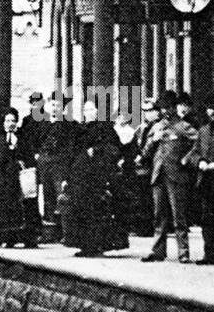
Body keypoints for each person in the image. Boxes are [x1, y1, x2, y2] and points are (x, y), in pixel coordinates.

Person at [65, 100, 128, 257]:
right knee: (81, 210)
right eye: (86, 110)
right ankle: (85, 246)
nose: (89, 112)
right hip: (80, 177)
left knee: (98, 211)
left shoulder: (105, 129)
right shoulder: (80, 130)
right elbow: (71, 154)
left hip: (98, 177)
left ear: (97, 111)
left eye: (91, 109)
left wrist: (97, 149)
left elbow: (116, 149)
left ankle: (98, 245)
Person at [142, 91, 198, 263]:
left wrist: (187, 158)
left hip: (176, 176)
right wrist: (153, 140)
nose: (166, 111)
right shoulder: (156, 128)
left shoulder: (183, 126)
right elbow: (145, 152)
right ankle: (158, 250)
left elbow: (198, 142)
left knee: (178, 215)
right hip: (159, 175)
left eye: (169, 108)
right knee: (159, 215)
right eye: (163, 108)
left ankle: (183, 252)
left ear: (174, 108)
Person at [185, 91, 214, 266]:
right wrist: (199, 162)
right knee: (207, 218)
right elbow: (194, 153)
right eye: (210, 108)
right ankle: (210, 254)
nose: (213, 112)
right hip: (205, 180)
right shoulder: (203, 131)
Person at [0, 108, 42, 248]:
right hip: (3, 180)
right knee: (2, 207)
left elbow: (28, 157)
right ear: (4, 123)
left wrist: (18, 152)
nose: (10, 123)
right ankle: (2, 235)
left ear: (17, 122)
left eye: (13, 121)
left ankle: (21, 236)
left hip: (18, 181)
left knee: (21, 208)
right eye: (7, 121)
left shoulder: (22, 138)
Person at [37, 95, 78, 230]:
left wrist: (64, 163)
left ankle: (64, 230)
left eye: (58, 106)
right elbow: (35, 140)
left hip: (59, 164)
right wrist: (38, 155)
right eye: (53, 105)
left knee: (60, 194)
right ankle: (50, 229)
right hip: (44, 163)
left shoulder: (70, 124)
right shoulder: (44, 122)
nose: (55, 108)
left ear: (63, 108)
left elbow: (71, 147)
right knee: (47, 194)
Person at [129, 97, 160, 238]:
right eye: (145, 111)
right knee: (142, 196)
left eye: (150, 111)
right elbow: (135, 144)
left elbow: (151, 146)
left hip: (152, 166)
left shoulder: (158, 127)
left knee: (149, 198)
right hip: (142, 167)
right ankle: (142, 225)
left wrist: (142, 156)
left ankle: (149, 226)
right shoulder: (141, 128)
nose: (148, 114)